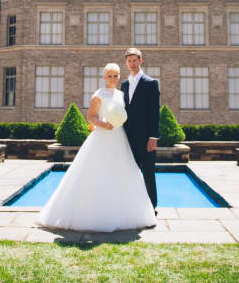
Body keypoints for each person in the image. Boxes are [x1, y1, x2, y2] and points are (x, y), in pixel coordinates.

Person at [37, 63, 156, 232]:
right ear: (104, 77)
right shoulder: (98, 94)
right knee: (96, 172)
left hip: (119, 138)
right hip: (101, 137)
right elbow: (90, 116)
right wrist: (103, 124)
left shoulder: (122, 95)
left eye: (115, 76)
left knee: (122, 173)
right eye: (109, 76)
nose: (113, 79)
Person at [121, 47, 160, 212]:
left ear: (140, 61)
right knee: (130, 170)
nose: (132, 63)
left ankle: (152, 205)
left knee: (148, 171)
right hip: (126, 136)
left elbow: (154, 111)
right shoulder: (123, 84)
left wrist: (153, 137)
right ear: (126, 63)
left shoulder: (151, 83)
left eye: (134, 60)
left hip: (145, 137)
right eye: (129, 61)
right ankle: (133, 204)